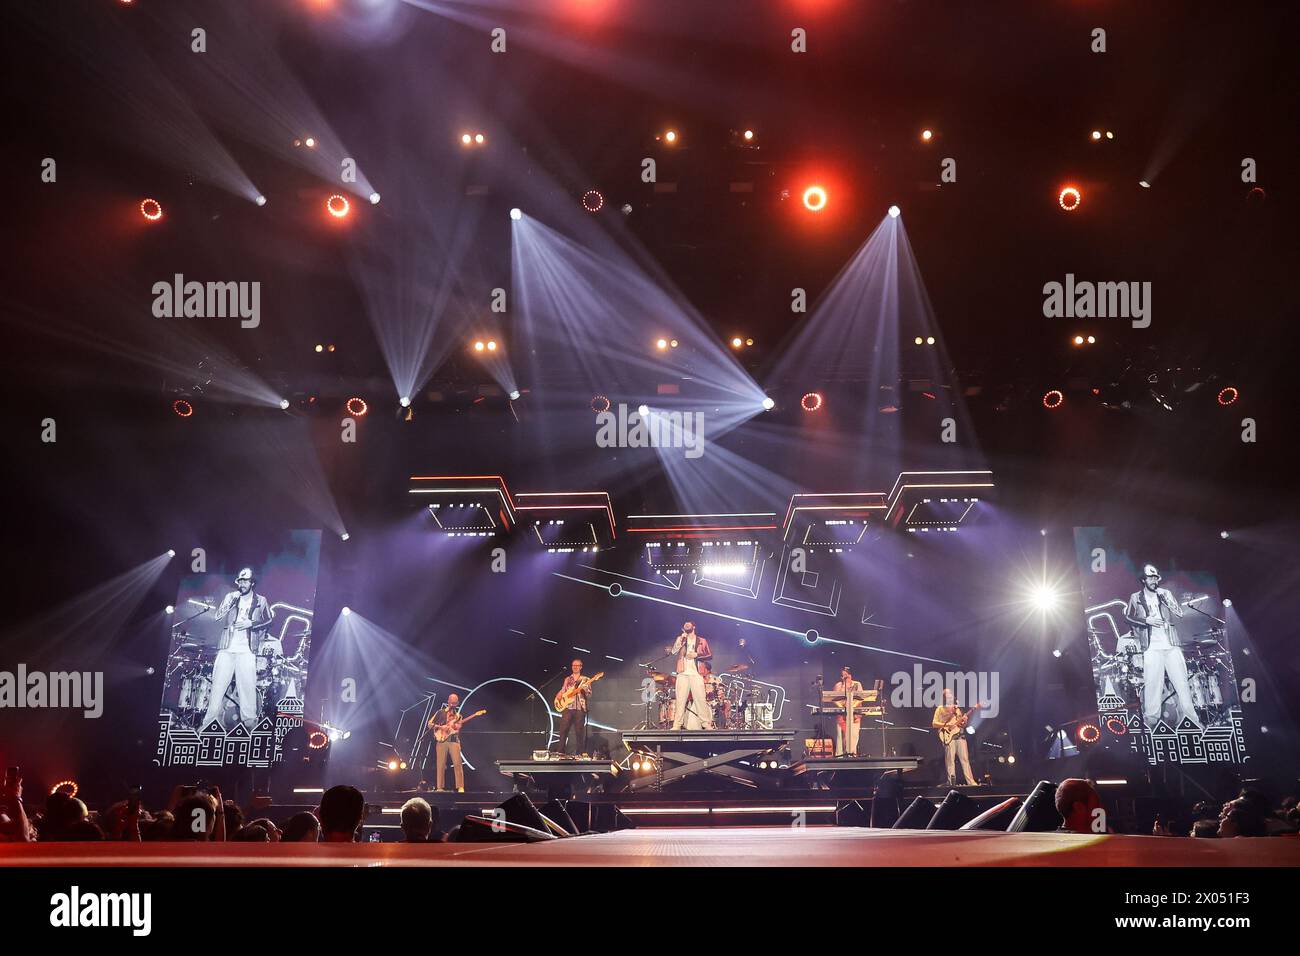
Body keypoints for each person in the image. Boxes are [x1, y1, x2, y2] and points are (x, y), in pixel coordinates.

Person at [1124, 564, 1197, 729]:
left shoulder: (1165, 594)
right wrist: (1146, 620)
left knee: (1182, 683)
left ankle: (1192, 719)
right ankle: (1151, 721)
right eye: (1150, 578)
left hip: (1171, 644)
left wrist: (1167, 599)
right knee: (1152, 684)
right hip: (1151, 647)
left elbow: (1179, 612)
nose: (1154, 580)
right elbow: (1128, 617)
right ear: (1143, 580)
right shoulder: (1136, 597)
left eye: (1156, 577)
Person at [205, 567, 273, 729]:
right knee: (218, 686)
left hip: (247, 650)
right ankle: (208, 723)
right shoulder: (231, 597)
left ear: (252, 583)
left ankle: (250, 725)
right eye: (239, 581)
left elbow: (270, 620)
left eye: (245, 581)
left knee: (247, 687)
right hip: (227, 648)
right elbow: (217, 616)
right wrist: (230, 600)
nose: (241, 584)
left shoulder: (261, 600)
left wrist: (252, 623)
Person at [667, 622, 712, 730]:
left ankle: (706, 724)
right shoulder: (681, 639)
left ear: (694, 627)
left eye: (689, 624)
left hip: (697, 673)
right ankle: (677, 725)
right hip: (683, 673)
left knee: (700, 699)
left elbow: (710, 655)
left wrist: (696, 655)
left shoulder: (702, 640)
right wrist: (680, 640)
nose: (687, 625)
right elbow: (673, 651)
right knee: (680, 700)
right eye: (685, 625)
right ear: (683, 628)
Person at [931, 688, 978, 787]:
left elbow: (961, 725)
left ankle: (971, 783)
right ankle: (952, 783)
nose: (949, 696)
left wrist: (964, 721)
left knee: (965, 760)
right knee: (950, 762)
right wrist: (947, 726)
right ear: (944, 697)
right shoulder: (940, 709)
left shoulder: (957, 709)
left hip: (960, 736)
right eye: (947, 694)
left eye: (950, 694)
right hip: (948, 737)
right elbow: (934, 724)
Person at [555, 659, 593, 755]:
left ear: (581, 667)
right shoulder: (567, 679)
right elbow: (563, 690)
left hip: (580, 709)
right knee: (563, 731)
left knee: (579, 733)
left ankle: (580, 754)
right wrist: (558, 696)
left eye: (577, 665)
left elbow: (589, 695)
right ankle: (560, 753)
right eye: (573, 665)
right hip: (567, 708)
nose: (575, 667)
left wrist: (584, 689)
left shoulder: (585, 679)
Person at [429, 693, 466, 792]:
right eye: (451, 702)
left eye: (455, 703)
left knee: (457, 764)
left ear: (457, 703)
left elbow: (457, 729)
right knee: (440, 764)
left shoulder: (458, 716)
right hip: (441, 740)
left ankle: (460, 786)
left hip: (453, 741)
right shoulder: (440, 712)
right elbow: (430, 724)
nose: (453, 704)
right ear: (448, 701)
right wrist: (441, 727)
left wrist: (456, 727)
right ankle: (440, 787)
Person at [833, 665, 866, 756]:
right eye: (843, 675)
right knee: (843, 736)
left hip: (855, 714)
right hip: (843, 715)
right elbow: (834, 699)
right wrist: (843, 685)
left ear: (851, 675)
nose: (845, 677)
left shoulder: (857, 684)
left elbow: (861, 698)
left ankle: (852, 754)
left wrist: (852, 707)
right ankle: (842, 755)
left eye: (847, 675)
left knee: (854, 735)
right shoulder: (838, 685)